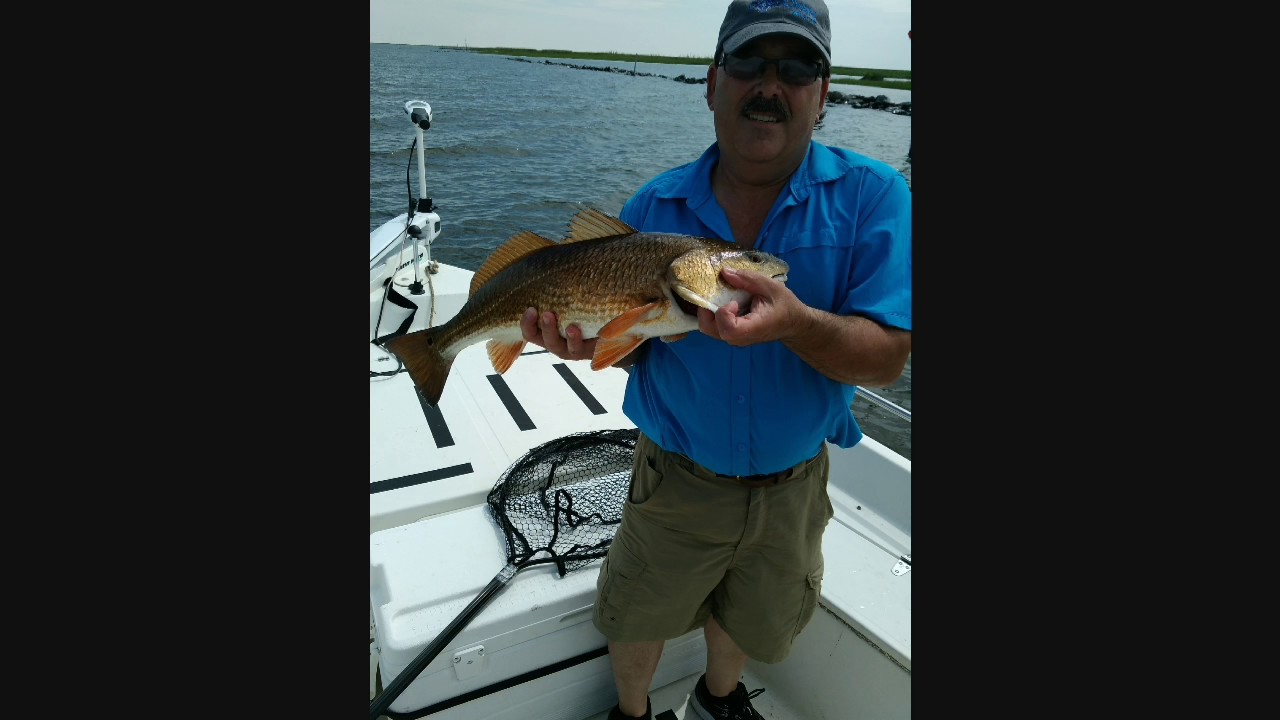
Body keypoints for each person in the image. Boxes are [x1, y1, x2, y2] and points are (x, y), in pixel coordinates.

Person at [519, 1, 911, 718]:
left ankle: (718, 699)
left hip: (795, 484)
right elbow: (638, 350)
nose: (770, 84)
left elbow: (885, 360)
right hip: (675, 476)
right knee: (638, 612)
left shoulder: (874, 196)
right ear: (711, 83)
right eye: (748, 63)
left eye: (797, 68)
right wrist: (589, 344)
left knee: (754, 613)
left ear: (823, 94)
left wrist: (795, 326)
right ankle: (632, 711)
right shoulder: (654, 205)